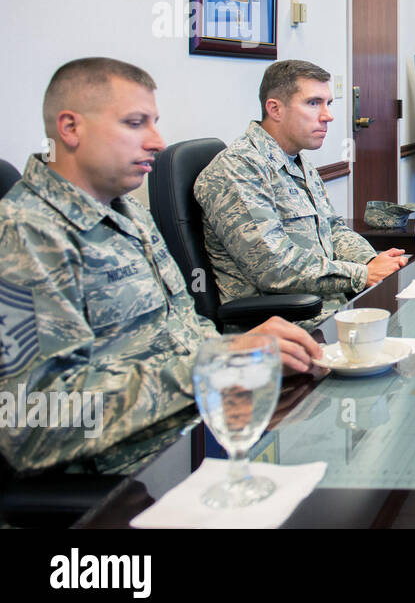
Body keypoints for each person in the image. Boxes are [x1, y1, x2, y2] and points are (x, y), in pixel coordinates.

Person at [0, 58, 320, 473]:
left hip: (201, 430)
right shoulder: (26, 234)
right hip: (131, 478)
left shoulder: (127, 211)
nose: (156, 141)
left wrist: (238, 356)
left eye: (154, 122)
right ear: (70, 128)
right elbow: (33, 423)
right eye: (135, 123)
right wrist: (215, 366)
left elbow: (185, 333)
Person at [195, 60, 407, 329]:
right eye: (313, 103)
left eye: (328, 103)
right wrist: (361, 274)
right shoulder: (237, 169)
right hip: (284, 327)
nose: (328, 115)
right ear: (275, 109)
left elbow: (332, 229)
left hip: (334, 309)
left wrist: (372, 261)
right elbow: (272, 266)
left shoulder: (297, 160)